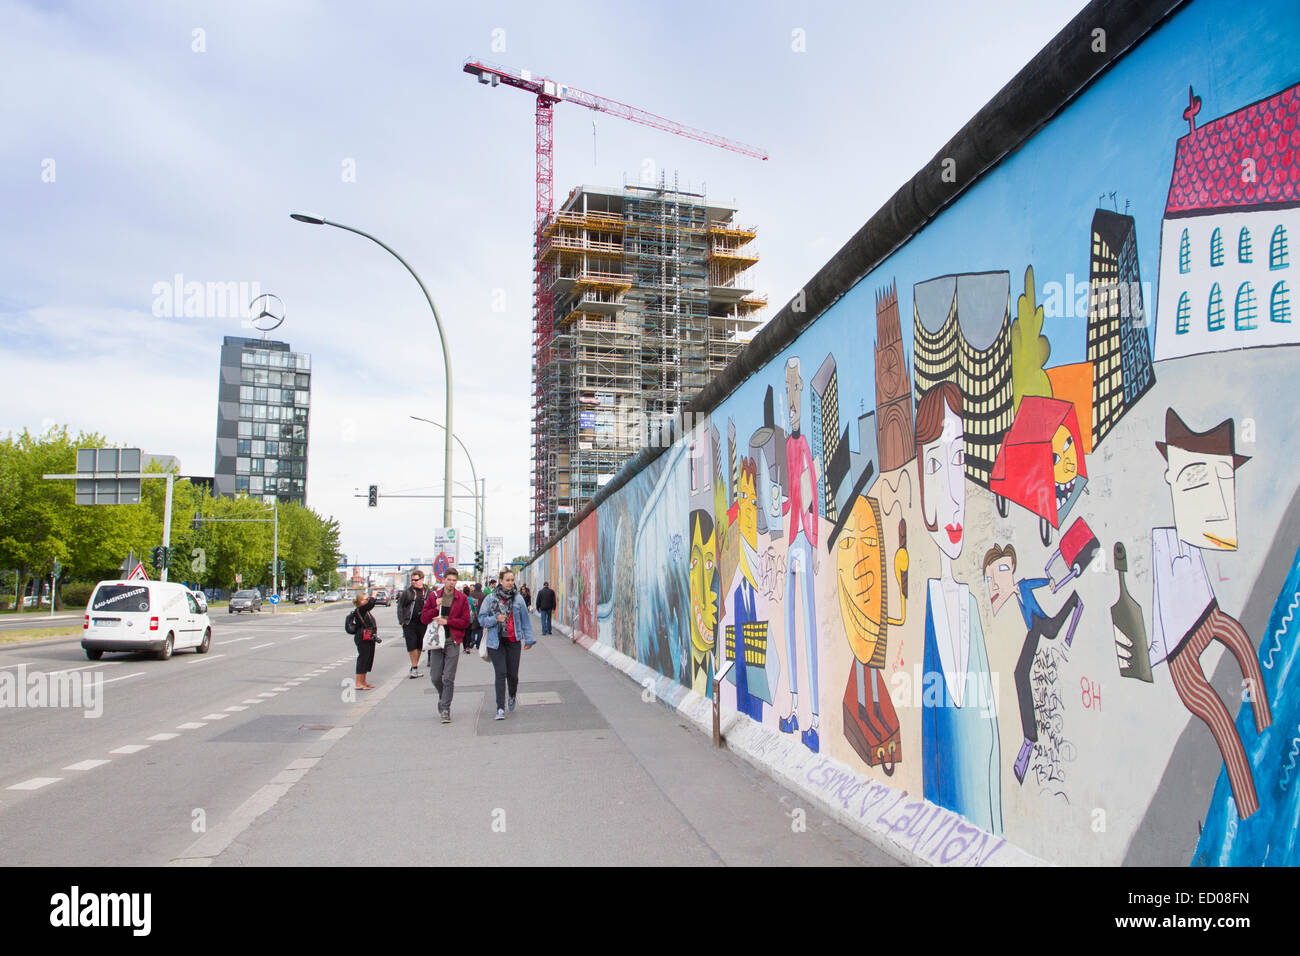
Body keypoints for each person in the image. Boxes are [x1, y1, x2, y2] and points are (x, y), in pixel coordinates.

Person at [915, 381, 1002, 835]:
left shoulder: (970, 604)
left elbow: (992, 752)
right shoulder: (925, 609)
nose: (951, 492)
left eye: (959, 459)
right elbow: (929, 749)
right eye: (934, 463)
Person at [983, 543, 1083, 783]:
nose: (995, 582)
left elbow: (1036, 582)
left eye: (1002, 569)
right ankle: (1029, 740)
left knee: (1051, 630)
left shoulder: (1023, 585)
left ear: (1013, 567)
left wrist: (1049, 583)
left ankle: (1075, 602)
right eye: (990, 577)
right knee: (1020, 674)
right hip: (1034, 629)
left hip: (1039, 624)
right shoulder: (1013, 592)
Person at [478, 569, 535, 720]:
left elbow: (525, 620)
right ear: (501, 581)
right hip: (495, 642)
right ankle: (500, 708)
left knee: (513, 675)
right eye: (507, 580)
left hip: (513, 640)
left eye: (512, 580)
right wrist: (495, 618)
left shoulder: (518, 599)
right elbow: (481, 619)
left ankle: (512, 694)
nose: (510, 583)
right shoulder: (490, 599)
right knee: (500, 673)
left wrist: (529, 639)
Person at [419, 568, 472, 723]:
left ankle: (445, 709)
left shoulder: (461, 598)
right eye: (449, 580)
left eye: (454, 580)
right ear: (444, 580)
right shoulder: (434, 596)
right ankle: (443, 698)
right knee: (436, 677)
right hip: (437, 642)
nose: (451, 583)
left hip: (452, 641)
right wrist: (435, 608)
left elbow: (465, 622)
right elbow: (423, 618)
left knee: (448, 677)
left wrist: (448, 621)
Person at [396, 570, 430, 679]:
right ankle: (414, 667)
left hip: (423, 623)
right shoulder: (407, 592)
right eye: (412, 580)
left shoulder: (427, 591)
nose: (414, 582)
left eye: (416, 580)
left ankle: (414, 666)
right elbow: (400, 606)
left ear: (422, 579)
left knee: (419, 646)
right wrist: (402, 621)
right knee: (412, 646)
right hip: (409, 623)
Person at [351, 590, 379, 691]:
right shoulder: (360, 610)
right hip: (362, 637)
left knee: (367, 658)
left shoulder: (365, 611)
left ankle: (363, 681)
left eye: (367, 599)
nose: (367, 601)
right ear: (360, 601)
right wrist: (373, 596)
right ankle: (358, 683)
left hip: (368, 636)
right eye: (365, 599)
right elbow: (371, 604)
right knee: (363, 658)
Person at [461, 584, 478, 654]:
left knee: (463, 633)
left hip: (462, 618)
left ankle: (464, 646)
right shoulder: (471, 599)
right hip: (470, 617)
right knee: (469, 632)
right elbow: (475, 609)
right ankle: (468, 647)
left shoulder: (461, 599)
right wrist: (474, 613)